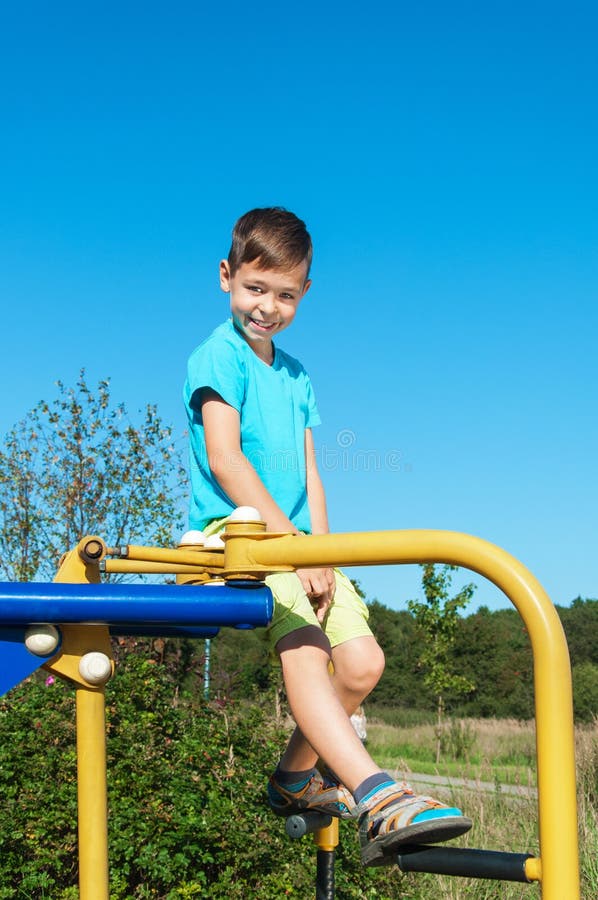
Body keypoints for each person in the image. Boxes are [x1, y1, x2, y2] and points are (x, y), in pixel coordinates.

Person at [183, 207, 471, 865]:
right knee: (307, 652)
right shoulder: (217, 356)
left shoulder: (297, 375)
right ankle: (375, 793)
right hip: (243, 530)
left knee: (364, 663)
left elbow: (312, 470)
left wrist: (326, 554)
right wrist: (290, 546)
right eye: (256, 288)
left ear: (304, 294)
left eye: (285, 294)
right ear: (227, 277)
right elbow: (227, 460)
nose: (268, 306)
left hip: (299, 539)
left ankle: (291, 780)